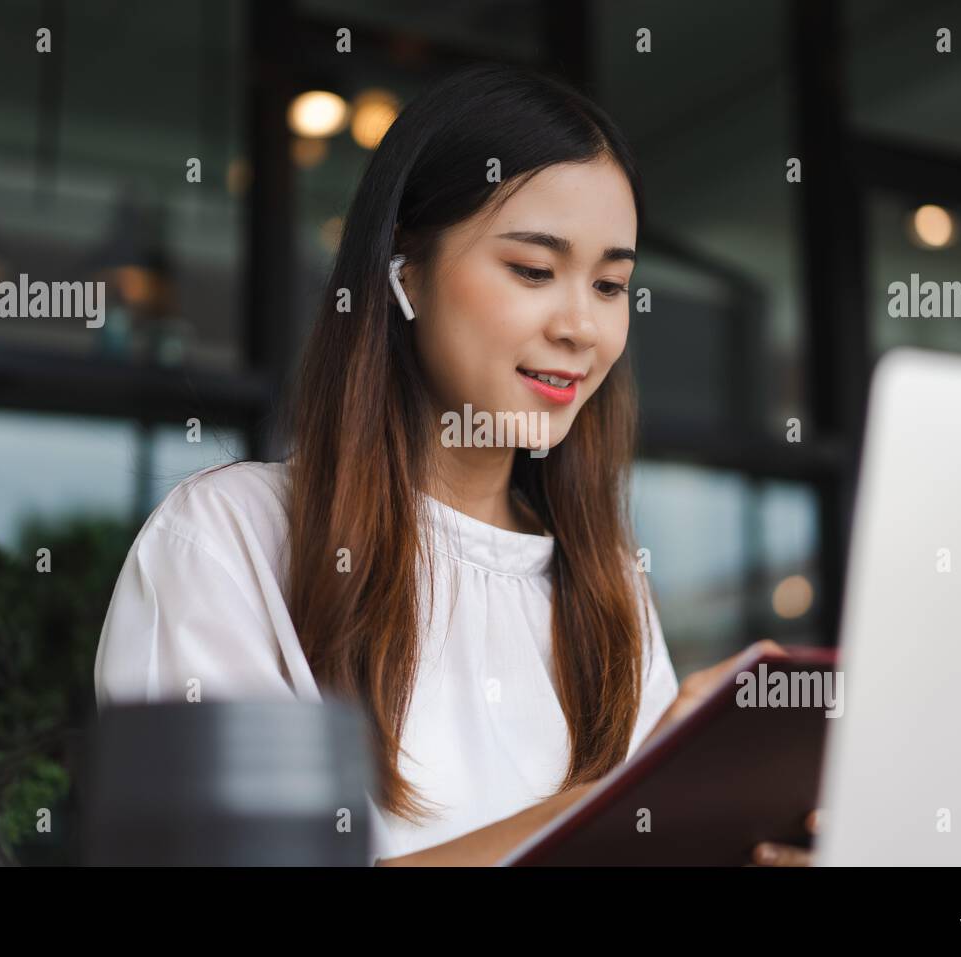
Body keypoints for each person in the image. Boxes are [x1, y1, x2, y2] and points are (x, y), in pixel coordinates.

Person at [94, 62, 813, 866]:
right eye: (534, 270)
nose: (582, 326)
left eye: (611, 284)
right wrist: (625, 802)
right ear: (405, 272)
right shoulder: (230, 538)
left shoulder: (609, 583)